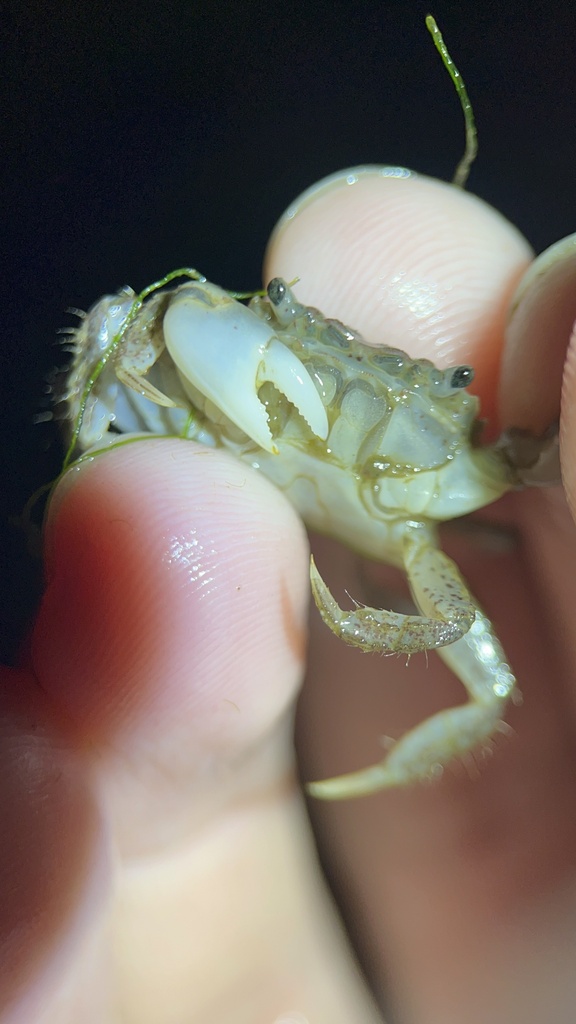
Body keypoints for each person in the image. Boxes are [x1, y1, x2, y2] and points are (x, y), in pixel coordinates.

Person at [2, 168, 576, 1024]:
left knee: (486, 677)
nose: (349, 401)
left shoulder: (461, 492)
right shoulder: (245, 347)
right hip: (225, 491)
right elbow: (130, 325)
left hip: (407, 525)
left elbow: (480, 668)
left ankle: (377, 774)